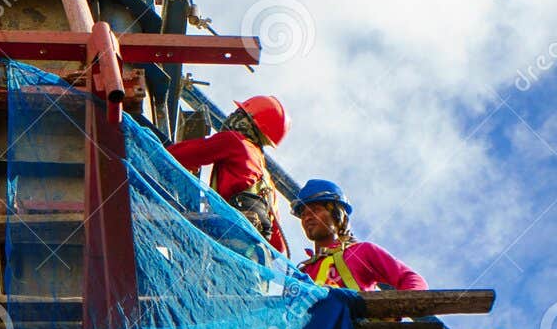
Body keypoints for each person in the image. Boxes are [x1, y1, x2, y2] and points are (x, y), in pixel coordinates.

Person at [165, 94, 290, 253]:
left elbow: (180, 154)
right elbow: (278, 247)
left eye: (239, 113)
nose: (232, 116)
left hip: (227, 241)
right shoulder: (268, 184)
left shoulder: (236, 142)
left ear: (247, 119)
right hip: (252, 261)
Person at [291, 181, 427, 292]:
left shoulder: (362, 252)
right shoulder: (302, 272)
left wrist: (396, 308)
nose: (307, 218)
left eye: (315, 210)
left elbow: (411, 279)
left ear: (337, 215)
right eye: (303, 214)